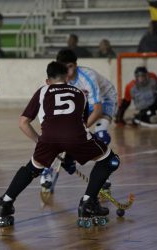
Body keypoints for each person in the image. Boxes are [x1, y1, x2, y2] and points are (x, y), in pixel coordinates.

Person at [0, 61, 120, 228]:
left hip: (48, 139)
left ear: (48, 81)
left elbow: (23, 123)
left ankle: (5, 203)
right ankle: (88, 202)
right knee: (110, 160)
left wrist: (40, 141)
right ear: (67, 78)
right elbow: (77, 128)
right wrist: (70, 157)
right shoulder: (80, 93)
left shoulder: (42, 91)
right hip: (76, 137)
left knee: (32, 169)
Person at [40, 49, 117, 192]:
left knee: (101, 135)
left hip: (105, 100)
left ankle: (102, 175)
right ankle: (47, 170)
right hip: (83, 103)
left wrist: (79, 129)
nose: (67, 71)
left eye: (69, 66)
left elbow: (97, 109)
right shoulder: (59, 79)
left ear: (76, 65)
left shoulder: (88, 77)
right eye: (64, 67)